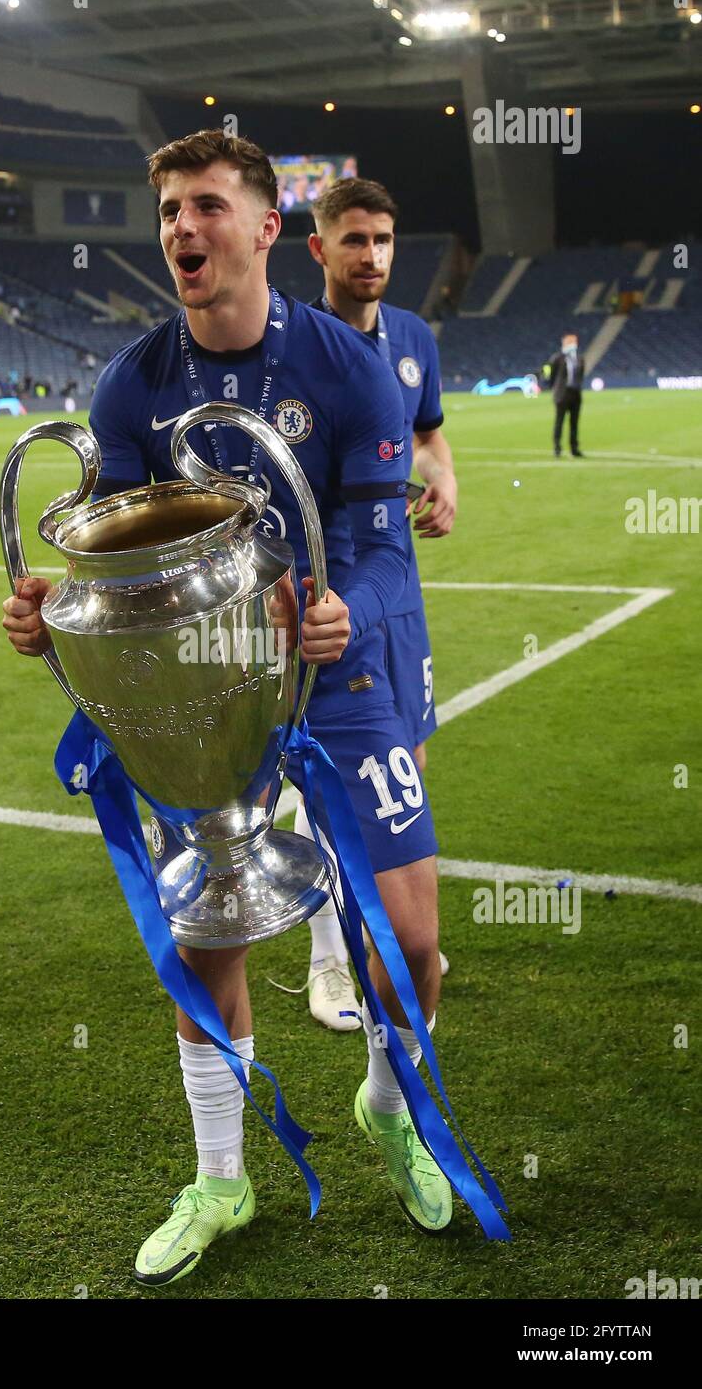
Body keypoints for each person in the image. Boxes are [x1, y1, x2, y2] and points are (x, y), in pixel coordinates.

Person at [2, 130, 453, 1286]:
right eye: (167, 209)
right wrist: (50, 608)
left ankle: (388, 1111)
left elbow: (384, 545)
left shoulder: (347, 368)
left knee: (411, 943)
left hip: (338, 679)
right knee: (208, 941)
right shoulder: (134, 384)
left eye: (206, 206)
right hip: (207, 691)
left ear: (263, 230)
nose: (180, 229)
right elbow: (110, 555)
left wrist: (345, 599)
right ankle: (221, 1176)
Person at [299, 177, 457, 1028]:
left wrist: (444, 476)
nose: (372, 256)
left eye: (384, 240)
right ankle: (328, 959)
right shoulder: (291, 346)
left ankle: (397, 934)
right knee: (328, 780)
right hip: (324, 588)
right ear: (318, 248)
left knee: (410, 763)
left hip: (394, 587)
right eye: (354, 239)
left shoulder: (412, 337)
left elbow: (428, 429)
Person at [546, 332, 586, 458]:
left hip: (575, 393)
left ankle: (574, 448)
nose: (572, 344)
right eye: (569, 341)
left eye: (573, 341)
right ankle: (557, 447)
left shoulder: (580, 358)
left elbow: (581, 375)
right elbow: (551, 375)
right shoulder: (557, 358)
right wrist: (554, 389)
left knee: (574, 423)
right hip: (562, 394)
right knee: (559, 421)